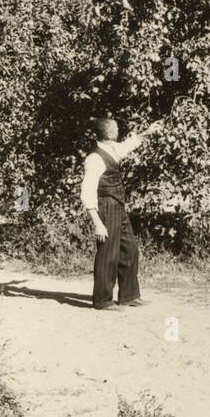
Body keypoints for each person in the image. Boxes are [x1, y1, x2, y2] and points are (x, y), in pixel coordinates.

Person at [81, 116, 164, 311]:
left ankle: (128, 296)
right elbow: (87, 192)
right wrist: (97, 223)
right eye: (116, 128)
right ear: (109, 134)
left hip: (118, 206)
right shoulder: (94, 158)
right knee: (108, 253)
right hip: (106, 208)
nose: (119, 129)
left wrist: (147, 132)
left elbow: (128, 145)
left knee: (130, 248)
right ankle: (102, 301)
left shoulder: (111, 148)